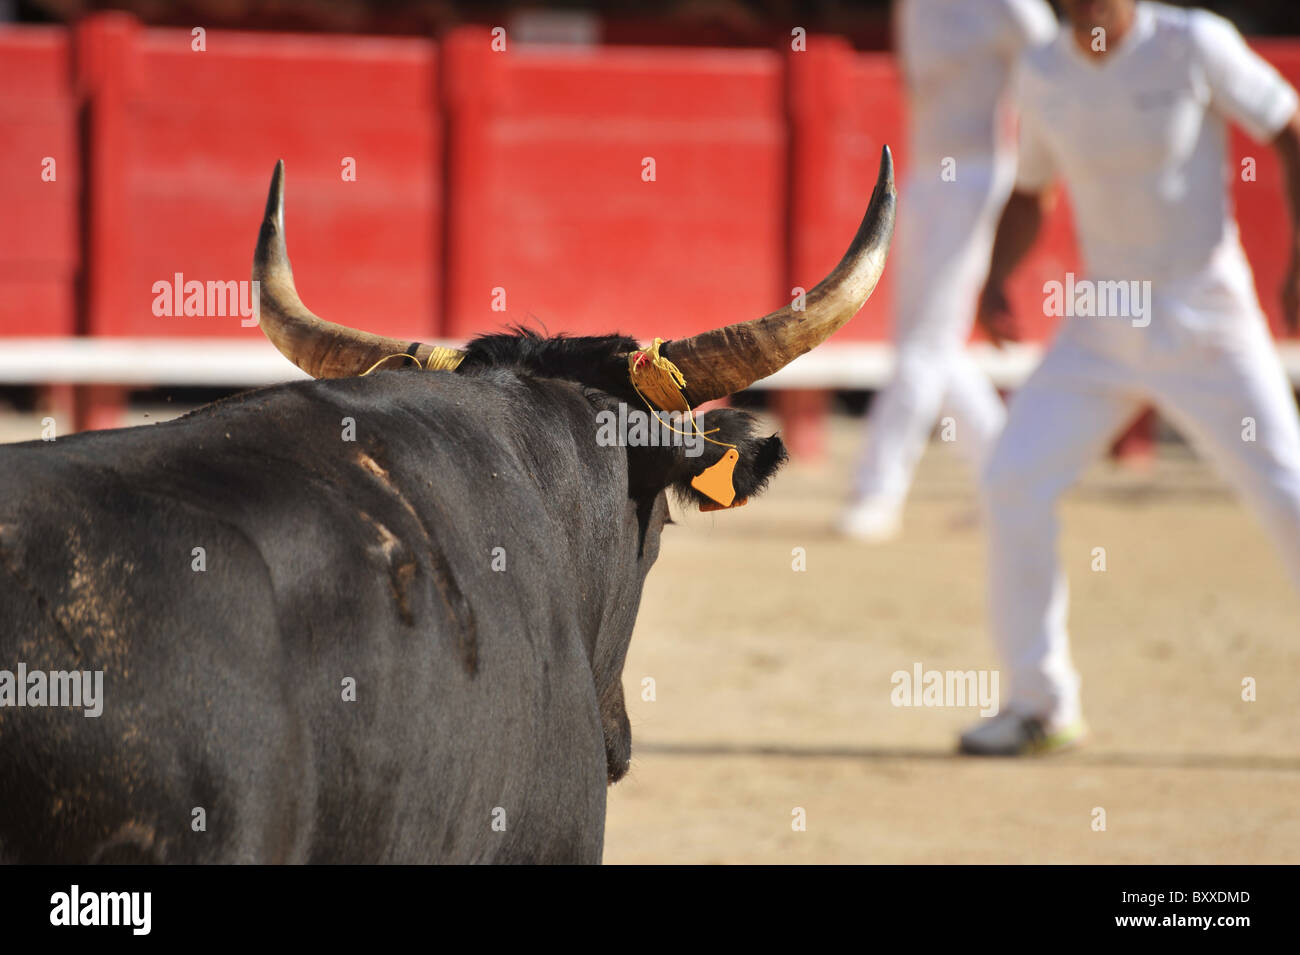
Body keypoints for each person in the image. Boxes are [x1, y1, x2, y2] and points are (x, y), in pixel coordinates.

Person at [961, 0, 1300, 755]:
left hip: (1207, 308)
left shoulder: (1194, 43)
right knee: (1013, 479)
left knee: (1290, 492)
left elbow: (1288, 127)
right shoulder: (1043, 67)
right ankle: (1040, 702)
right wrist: (995, 279)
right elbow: (1032, 186)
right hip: (1104, 319)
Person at [840, 0, 1057, 541]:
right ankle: (1011, 481)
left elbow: (1058, 70)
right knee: (929, 346)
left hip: (978, 180)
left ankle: (877, 491)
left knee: (926, 345)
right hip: (926, 178)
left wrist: (1040, 166)